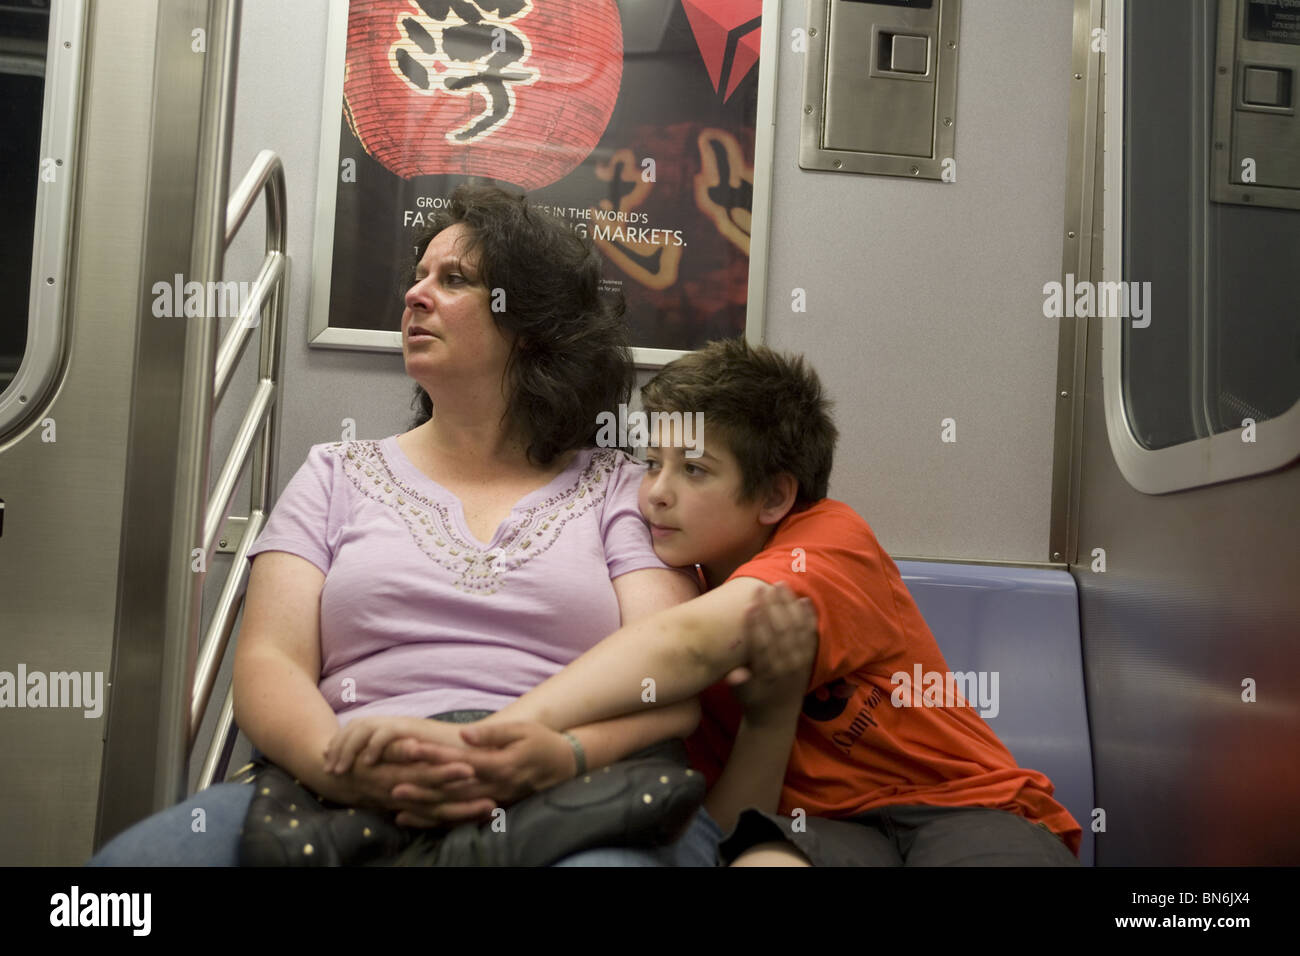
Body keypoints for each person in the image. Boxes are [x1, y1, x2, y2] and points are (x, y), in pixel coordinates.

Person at [88, 184, 732, 866]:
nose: (415, 296)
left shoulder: (623, 490)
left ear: (534, 322)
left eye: (453, 279)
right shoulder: (336, 473)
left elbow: (665, 680)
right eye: (416, 277)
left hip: (573, 783)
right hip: (345, 777)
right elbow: (269, 664)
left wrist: (547, 754)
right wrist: (339, 764)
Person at [333, 337, 1084, 866]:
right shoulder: (672, 586)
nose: (655, 492)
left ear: (774, 495)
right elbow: (725, 826)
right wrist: (769, 714)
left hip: (962, 806)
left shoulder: (828, 540)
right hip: (815, 828)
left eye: (694, 469)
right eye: (651, 462)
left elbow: (692, 644)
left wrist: (490, 738)